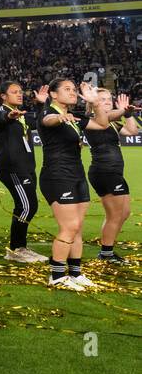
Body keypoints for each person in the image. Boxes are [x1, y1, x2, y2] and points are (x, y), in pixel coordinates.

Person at [38, 79, 108, 290]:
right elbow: (48, 120)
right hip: (57, 176)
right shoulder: (48, 111)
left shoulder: (75, 118)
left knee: (77, 228)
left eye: (73, 89)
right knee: (69, 227)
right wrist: (60, 116)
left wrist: (95, 103)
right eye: (66, 89)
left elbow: (103, 124)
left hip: (77, 175)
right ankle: (57, 276)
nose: (72, 92)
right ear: (53, 94)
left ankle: (75, 273)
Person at [0, 81, 49, 263]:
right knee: (26, 207)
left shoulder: (22, 115)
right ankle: (16, 249)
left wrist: (40, 104)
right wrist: (9, 115)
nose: (20, 94)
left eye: (21, 92)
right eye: (14, 92)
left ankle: (20, 247)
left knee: (28, 206)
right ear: (3, 96)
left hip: (27, 168)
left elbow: (38, 122)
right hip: (12, 168)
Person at [86, 88, 136, 265]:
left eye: (109, 99)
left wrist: (128, 114)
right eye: (102, 99)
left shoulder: (112, 123)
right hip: (104, 172)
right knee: (114, 215)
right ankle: (106, 253)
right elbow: (107, 117)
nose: (108, 101)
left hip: (114, 172)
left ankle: (108, 244)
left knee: (124, 212)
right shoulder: (94, 120)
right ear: (93, 103)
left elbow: (132, 132)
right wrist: (123, 110)